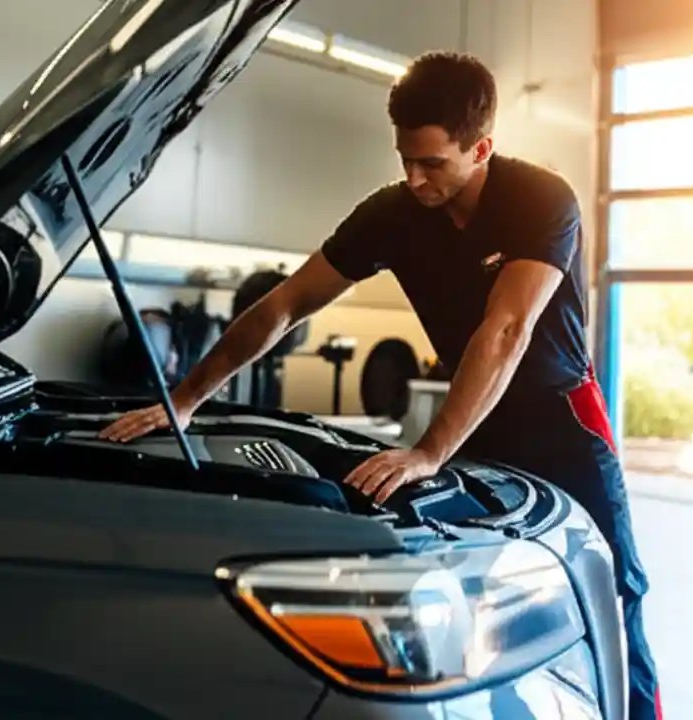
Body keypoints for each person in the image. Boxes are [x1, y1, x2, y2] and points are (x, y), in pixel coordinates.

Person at [98, 51, 663, 719]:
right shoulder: (390, 214)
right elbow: (285, 304)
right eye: (405, 160)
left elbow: (506, 331)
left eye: (433, 164)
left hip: (560, 418)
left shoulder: (541, 200)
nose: (415, 178)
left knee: (616, 589)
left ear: (481, 147)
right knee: (484, 594)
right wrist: (186, 399)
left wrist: (428, 452)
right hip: (475, 418)